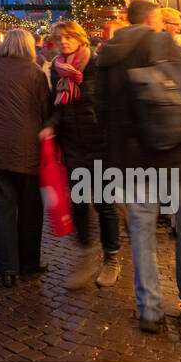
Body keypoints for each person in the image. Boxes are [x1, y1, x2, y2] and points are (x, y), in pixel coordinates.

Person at [96, 0, 181, 333]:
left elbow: (101, 111)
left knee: (142, 233)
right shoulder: (162, 42)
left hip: (133, 163)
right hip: (177, 155)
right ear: (153, 19)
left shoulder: (106, 54)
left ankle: (150, 309)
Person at [0, 28, 50, 288]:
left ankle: (7, 269)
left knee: (1, 210)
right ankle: (28, 262)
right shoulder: (35, 72)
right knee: (30, 209)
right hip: (26, 149)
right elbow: (45, 107)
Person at [44, 21, 120, 289]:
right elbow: (58, 108)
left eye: (68, 37)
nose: (63, 41)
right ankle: (86, 256)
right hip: (73, 147)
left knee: (103, 204)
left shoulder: (97, 66)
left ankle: (111, 259)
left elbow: (112, 105)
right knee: (79, 204)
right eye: (59, 38)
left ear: (80, 38)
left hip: (100, 145)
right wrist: (50, 127)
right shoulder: (57, 70)